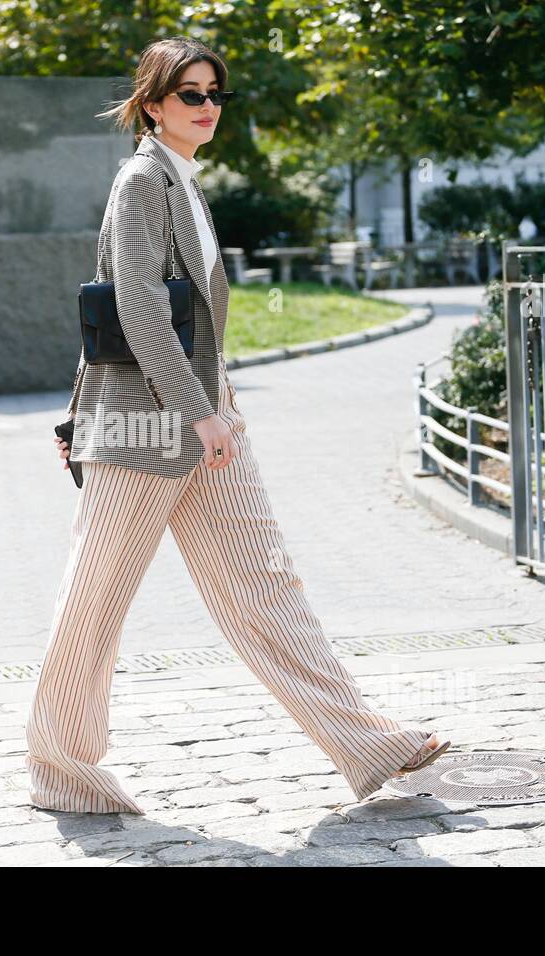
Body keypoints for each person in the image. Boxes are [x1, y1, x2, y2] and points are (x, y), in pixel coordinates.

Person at [24, 35, 450, 815]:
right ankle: (61, 770)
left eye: (216, 93)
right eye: (191, 93)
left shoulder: (184, 182)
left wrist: (218, 402)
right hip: (151, 428)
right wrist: (197, 411)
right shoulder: (141, 181)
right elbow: (139, 304)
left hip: (208, 414)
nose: (209, 106)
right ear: (152, 104)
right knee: (97, 595)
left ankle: (366, 742)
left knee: (264, 582)